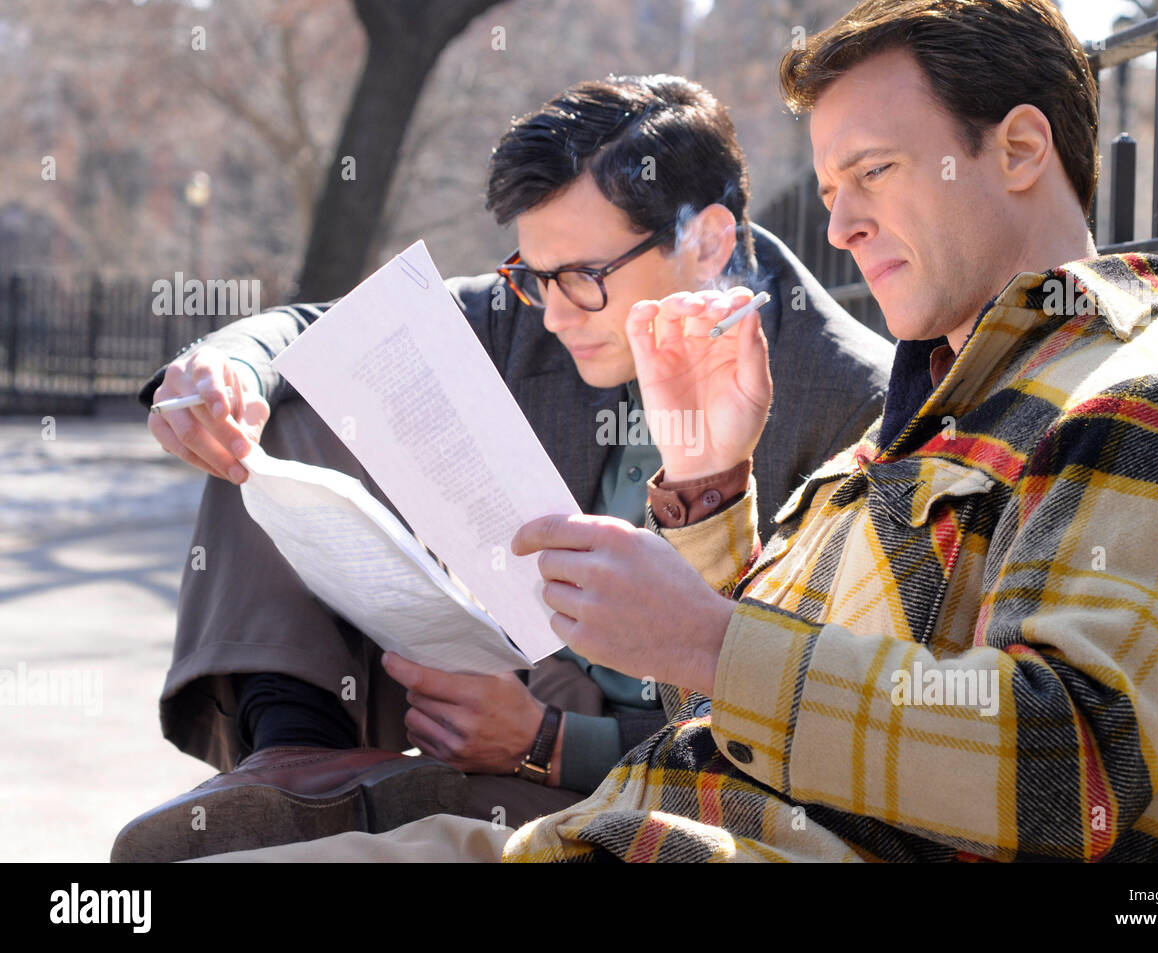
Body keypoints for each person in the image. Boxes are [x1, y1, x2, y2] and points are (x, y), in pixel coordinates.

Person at [191, 0, 1158, 863]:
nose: (843, 219)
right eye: (829, 183)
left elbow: (1071, 769)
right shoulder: (946, 402)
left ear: (1016, 151)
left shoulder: (1150, 405)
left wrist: (705, 637)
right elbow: (741, 720)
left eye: (874, 171)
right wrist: (712, 489)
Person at [110, 74, 895, 862]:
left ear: (708, 241)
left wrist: (548, 740)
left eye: (583, 279)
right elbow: (325, 329)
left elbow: (819, 726)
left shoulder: (854, 407)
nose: (551, 315)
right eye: (534, 273)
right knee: (282, 399)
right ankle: (295, 759)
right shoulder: (545, 304)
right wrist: (226, 372)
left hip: (653, 759)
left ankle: (344, 806)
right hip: (489, 661)